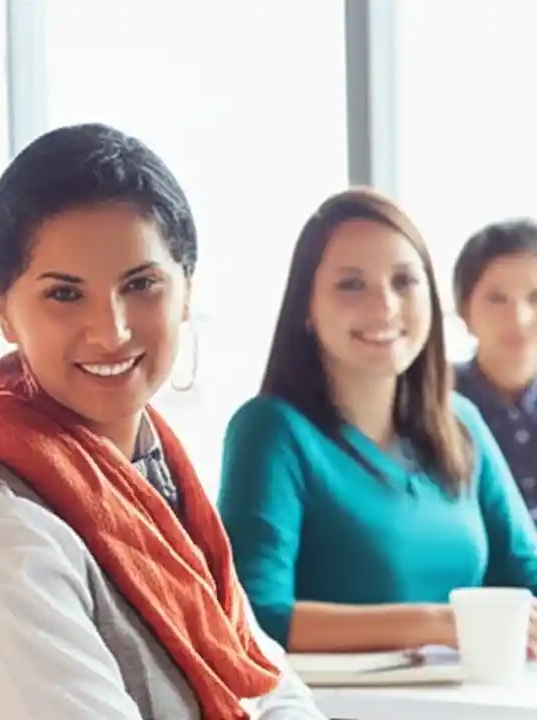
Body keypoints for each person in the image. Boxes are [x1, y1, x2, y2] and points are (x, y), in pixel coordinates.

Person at [0, 124, 323, 719]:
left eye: (141, 285)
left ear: (187, 290)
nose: (111, 331)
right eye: (64, 295)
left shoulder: (155, 484)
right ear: (3, 308)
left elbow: (269, 690)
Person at [219, 190, 537, 654]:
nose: (385, 306)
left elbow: (526, 573)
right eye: (351, 285)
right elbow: (253, 615)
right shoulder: (270, 430)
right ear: (306, 306)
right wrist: (439, 623)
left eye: (405, 281)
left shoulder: (461, 423)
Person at [452, 219, 537, 522]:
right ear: (465, 311)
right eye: (497, 299)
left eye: (535, 298)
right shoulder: (434, 401)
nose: (520, 318)